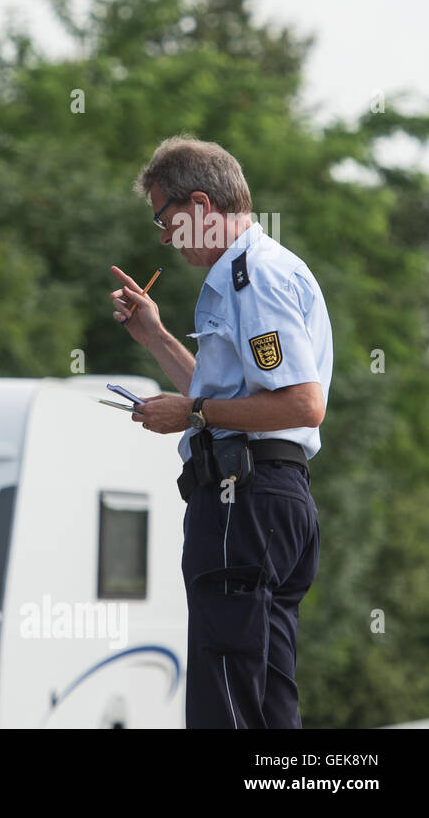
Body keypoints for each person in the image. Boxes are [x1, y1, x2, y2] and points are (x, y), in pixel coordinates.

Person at [109, 135, 333, 729]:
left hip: (245, 499)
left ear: (202, 206)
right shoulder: (257, 271)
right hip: (269, 497)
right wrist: (156, 337)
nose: (163, 236)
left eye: (166, 218)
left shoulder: (250, 277)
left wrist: (193, 416)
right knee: (264, 699)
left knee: (226, 697)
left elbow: (302, 403)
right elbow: (232, 393)